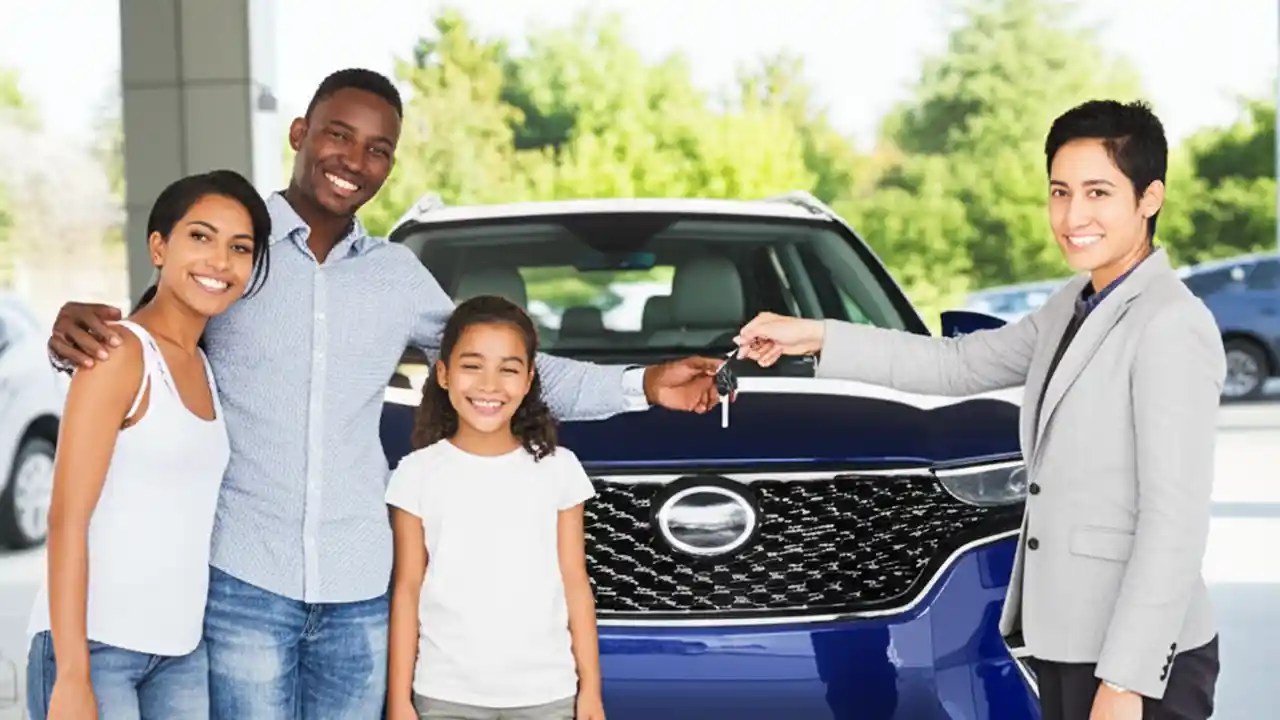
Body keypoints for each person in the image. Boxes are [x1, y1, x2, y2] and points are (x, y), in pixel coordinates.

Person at [44, 69, 722, 719]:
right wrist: (69, 334)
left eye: (378, 149)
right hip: (240, 580)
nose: (354, 160)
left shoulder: (398, 278)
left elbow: (497, 363)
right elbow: (151, 343)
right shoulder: (237, 256)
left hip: (362, 586)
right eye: (338, 135)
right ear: (300, 132)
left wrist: (642, 384)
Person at [735, 100, 1223, 720]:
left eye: (1098, 192)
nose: (1073, 216)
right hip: (1071, 642)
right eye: (1060, 192)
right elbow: (957, 365)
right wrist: (817, 335)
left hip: (1140, 658)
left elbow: (1173, 523)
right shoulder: (1076, 302)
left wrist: (1127, 682)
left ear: (1149, 198)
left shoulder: (1170, 324)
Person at [26, 170, 271, 720]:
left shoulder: (204, 363)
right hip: (95, 648)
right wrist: (71, 676)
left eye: (239, 248)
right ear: (159, 246)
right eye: (200, 237)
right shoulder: (119, 353)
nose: (219, 261)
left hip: (179, 653)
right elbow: (66, 518)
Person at [385, 295, 605, 720]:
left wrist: (590, 689)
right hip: (444, 694)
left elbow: (576, 583)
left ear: (528, 381)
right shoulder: (416, 473)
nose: (490, 385)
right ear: (444, 375)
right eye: (472, 366)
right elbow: (408, 589)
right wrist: (399, 700)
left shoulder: (559, 470)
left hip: (546, 694)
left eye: (508, 369)